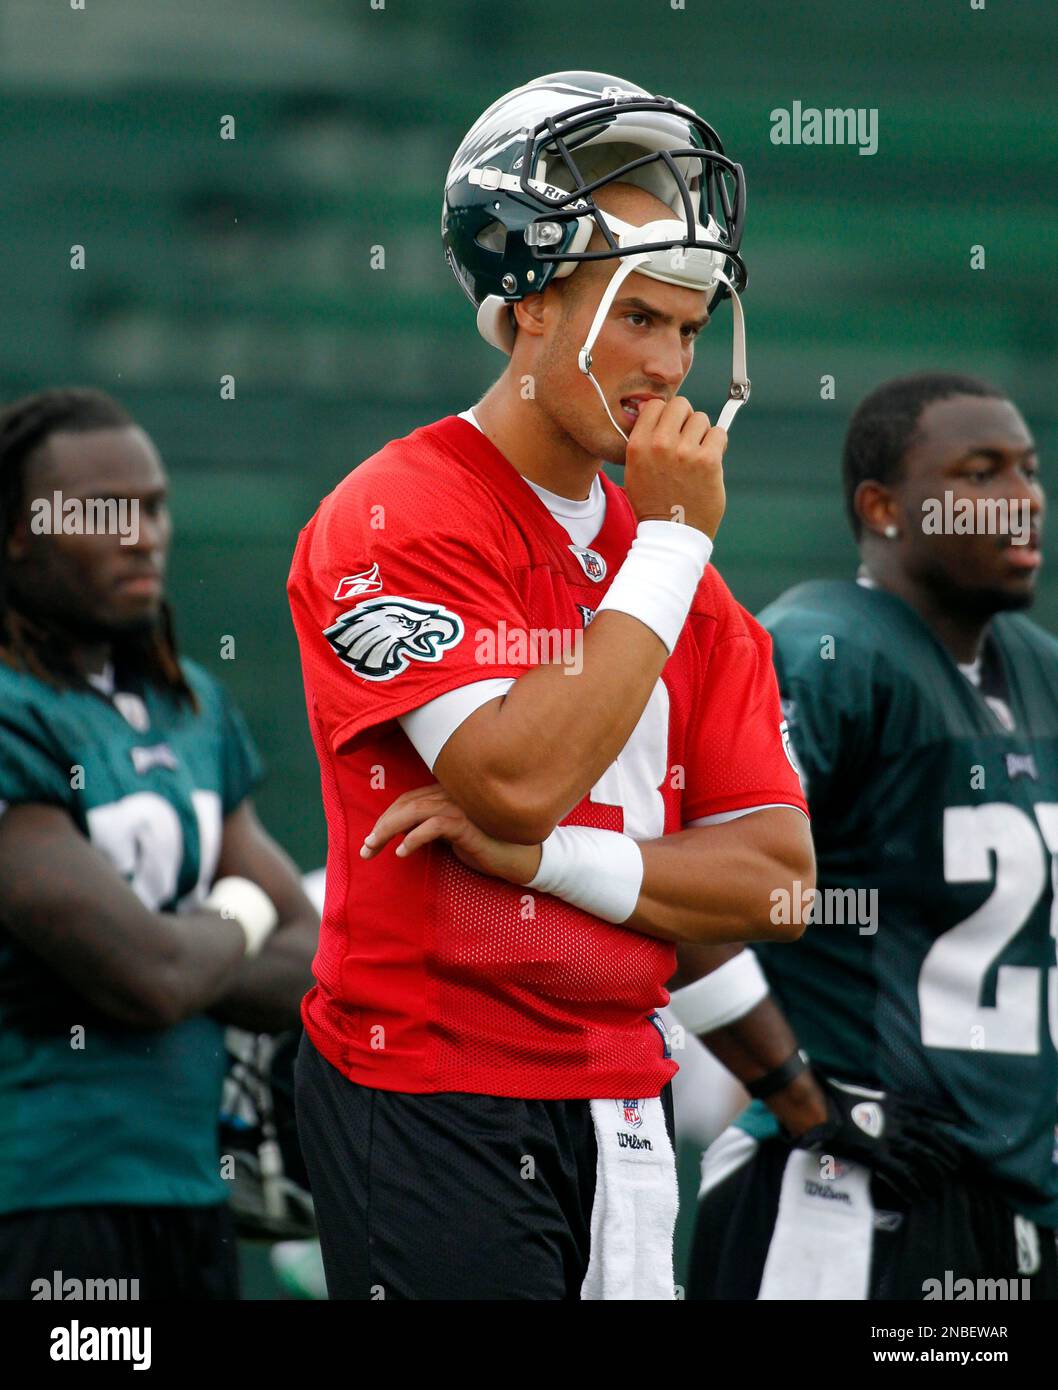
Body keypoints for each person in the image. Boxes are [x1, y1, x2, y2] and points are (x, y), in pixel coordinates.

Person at [287, 71, 812, 1301]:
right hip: (432, 1090)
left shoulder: (687, 580)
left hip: (627, 1094)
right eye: (638, 318)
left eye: (687, 328)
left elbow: (776, 884)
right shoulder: (397, 511)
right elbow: (513, 775)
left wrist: (547, 865)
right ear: (528, 305)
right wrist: (669, 549)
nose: (668, 365)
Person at [672, 372, 1058, 1300]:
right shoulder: (826, 653)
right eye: (981, 473)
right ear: (883, 508)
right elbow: (685, 886)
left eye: (1030, 469)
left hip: (1014, 1203)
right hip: (847, 1191)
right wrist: (797, 1091)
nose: (1025, 498)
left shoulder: (1041, 671)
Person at [0, 387, 317, 1300]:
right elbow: (147, 980)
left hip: (189, 1193)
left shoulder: (189, 708)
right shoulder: (18, 716)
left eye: (153, 506)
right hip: (44, 1194)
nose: (142, 534)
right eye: (104, 511)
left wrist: (187, 941)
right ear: (17, 533)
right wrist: (242, 910)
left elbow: (304, 969)